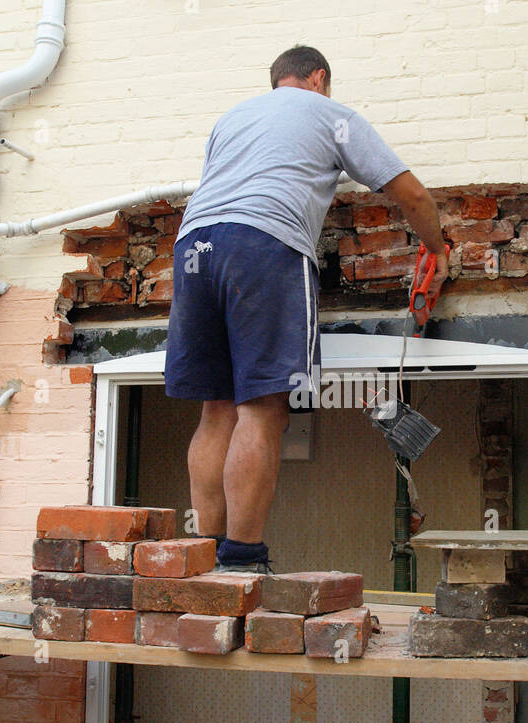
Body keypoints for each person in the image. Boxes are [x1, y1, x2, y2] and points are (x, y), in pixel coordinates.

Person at [164, 45, 448, 573]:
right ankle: (244, 560)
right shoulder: (329, 113)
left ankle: (205, 553)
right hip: (263, 245)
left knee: (216, 408)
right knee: (263, 405)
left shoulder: (231, 118)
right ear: (319, 78)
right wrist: (436, 248)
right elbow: (410, 196)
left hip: (193, 249)